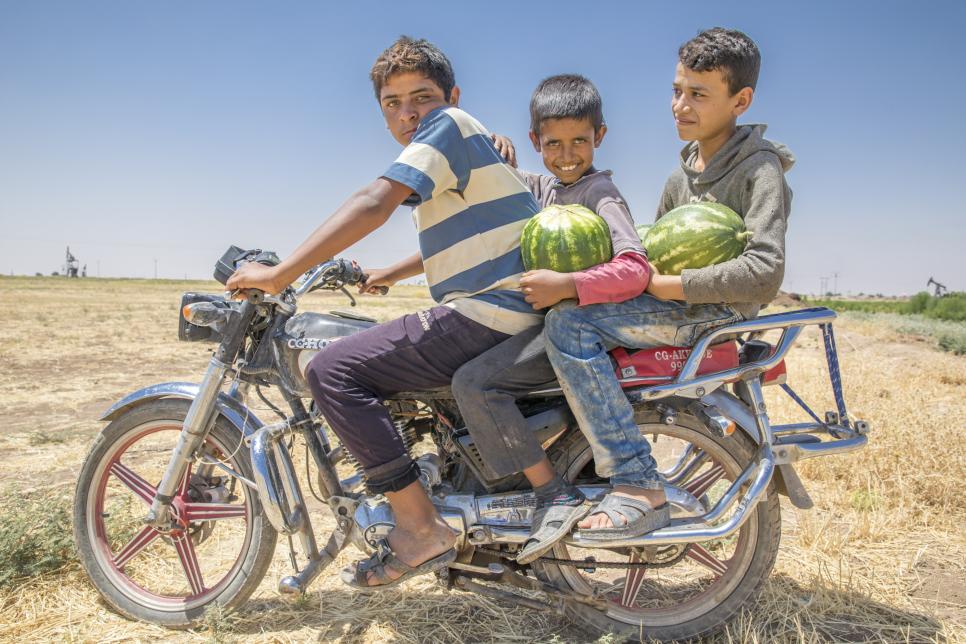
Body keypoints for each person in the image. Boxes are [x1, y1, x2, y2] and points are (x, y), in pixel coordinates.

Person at [226, 36, 541, 589]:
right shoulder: (460, 143)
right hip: (506, 308)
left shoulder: (448, 126)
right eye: (392, 104)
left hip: (493, 310)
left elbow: (375, 201)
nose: (408, 113)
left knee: (331, 369)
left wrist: (279, 276)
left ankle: (419, 525)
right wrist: (389, 274)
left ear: (451, 95)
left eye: (420, 96)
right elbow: (466, 236)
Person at [543, 27, 795, 539]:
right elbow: (651, 252)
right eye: (678, 90)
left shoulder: (760, 169)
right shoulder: (681, 174)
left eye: (699, 94)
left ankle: (636, 481)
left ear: (740, 100)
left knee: (569, 327)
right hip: (677, 306)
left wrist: (673, 287)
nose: (681, 105)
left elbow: (766, 271)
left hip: (714, 313)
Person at [451, 74, 651, 564]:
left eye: (579, 141)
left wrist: (568, 285)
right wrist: (493, 148)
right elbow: (504, 185)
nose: (567, 154)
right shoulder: (545, 189)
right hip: (539, 326)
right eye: (554, 143)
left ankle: (546, 495)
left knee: (476, 384)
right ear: (536, 141)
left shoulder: (599, 193)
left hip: (570, 332)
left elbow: (635, 267)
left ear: (599, 137)